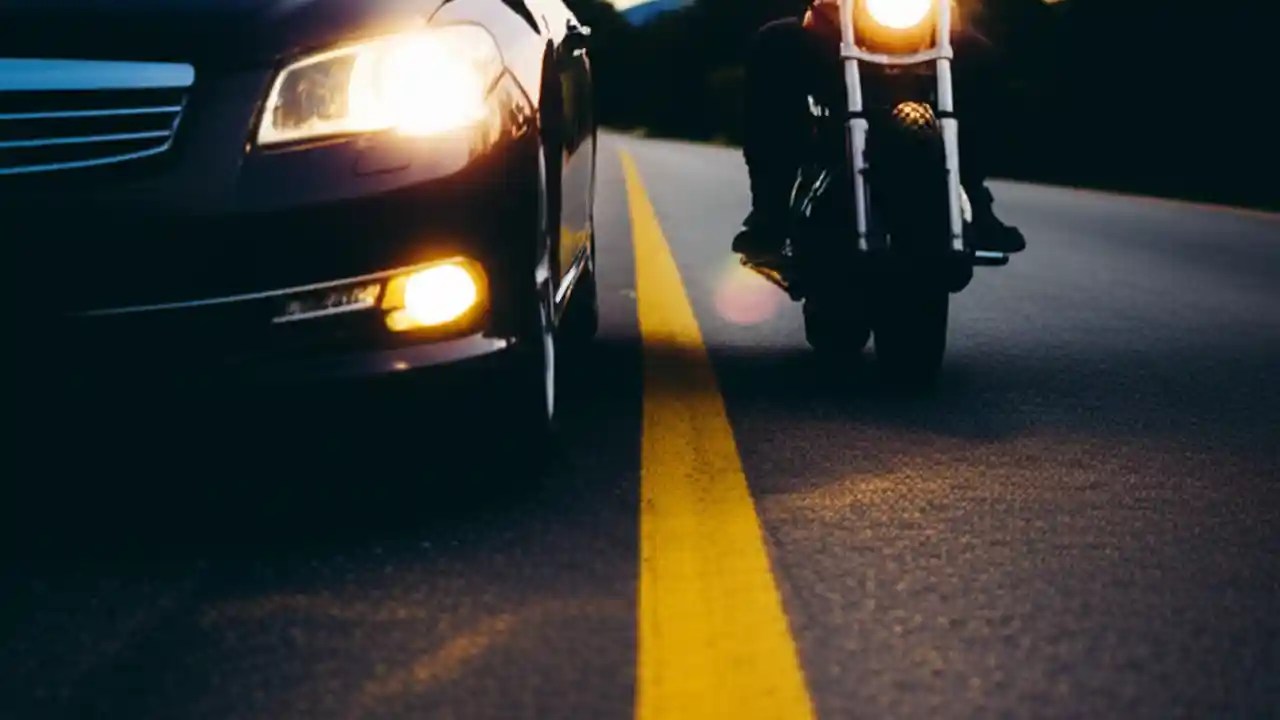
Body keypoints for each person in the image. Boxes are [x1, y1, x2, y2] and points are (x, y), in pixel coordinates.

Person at [734, 0, 1027, 264]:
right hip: (835, 24)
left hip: (923, 27)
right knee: (774, 44)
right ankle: (770, 208)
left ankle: (973, 193)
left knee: (981, 57)